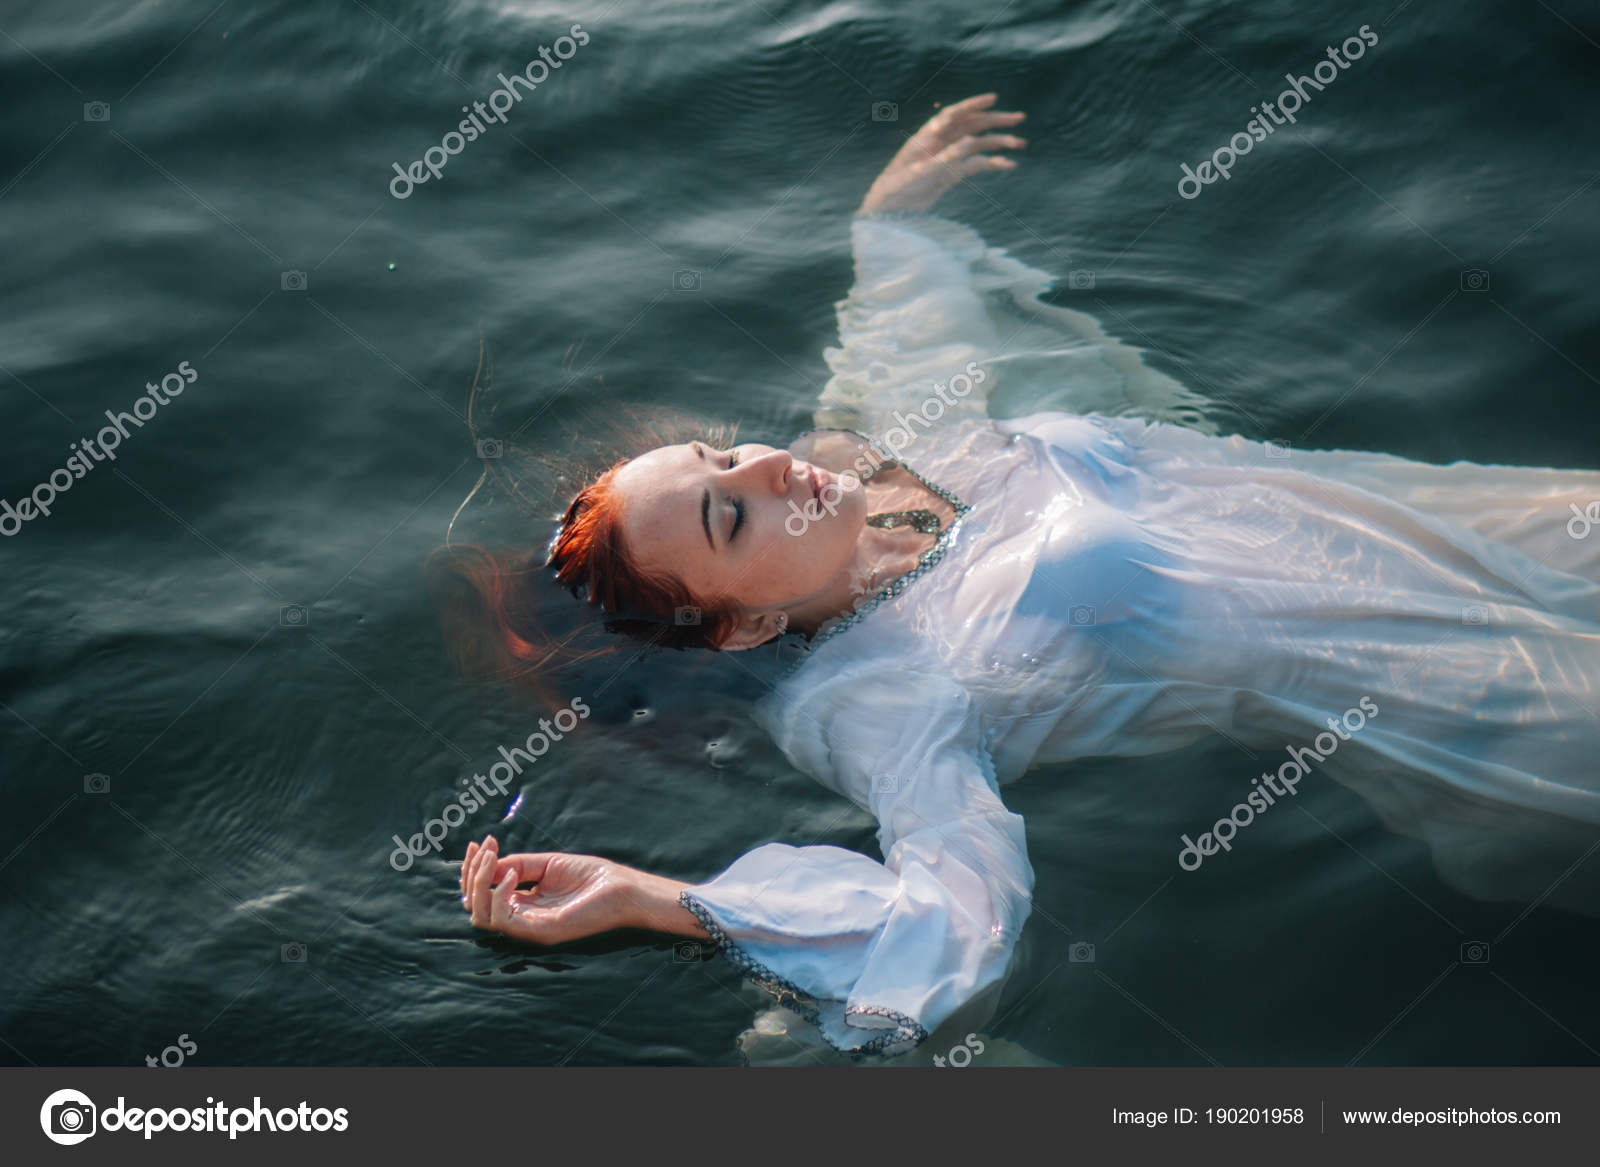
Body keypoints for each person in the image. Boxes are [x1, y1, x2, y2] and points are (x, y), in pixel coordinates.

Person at [455, 94, 1600, 1057]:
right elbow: (951, 922)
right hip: (1461, 701)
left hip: (1450, 524)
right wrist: (661, 903)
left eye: (718, 452)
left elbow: (906, 345)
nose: (762, 463)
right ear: (742, 626)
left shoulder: (875, 458)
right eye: (726, 510)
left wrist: (885, 229)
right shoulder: (872, 698)